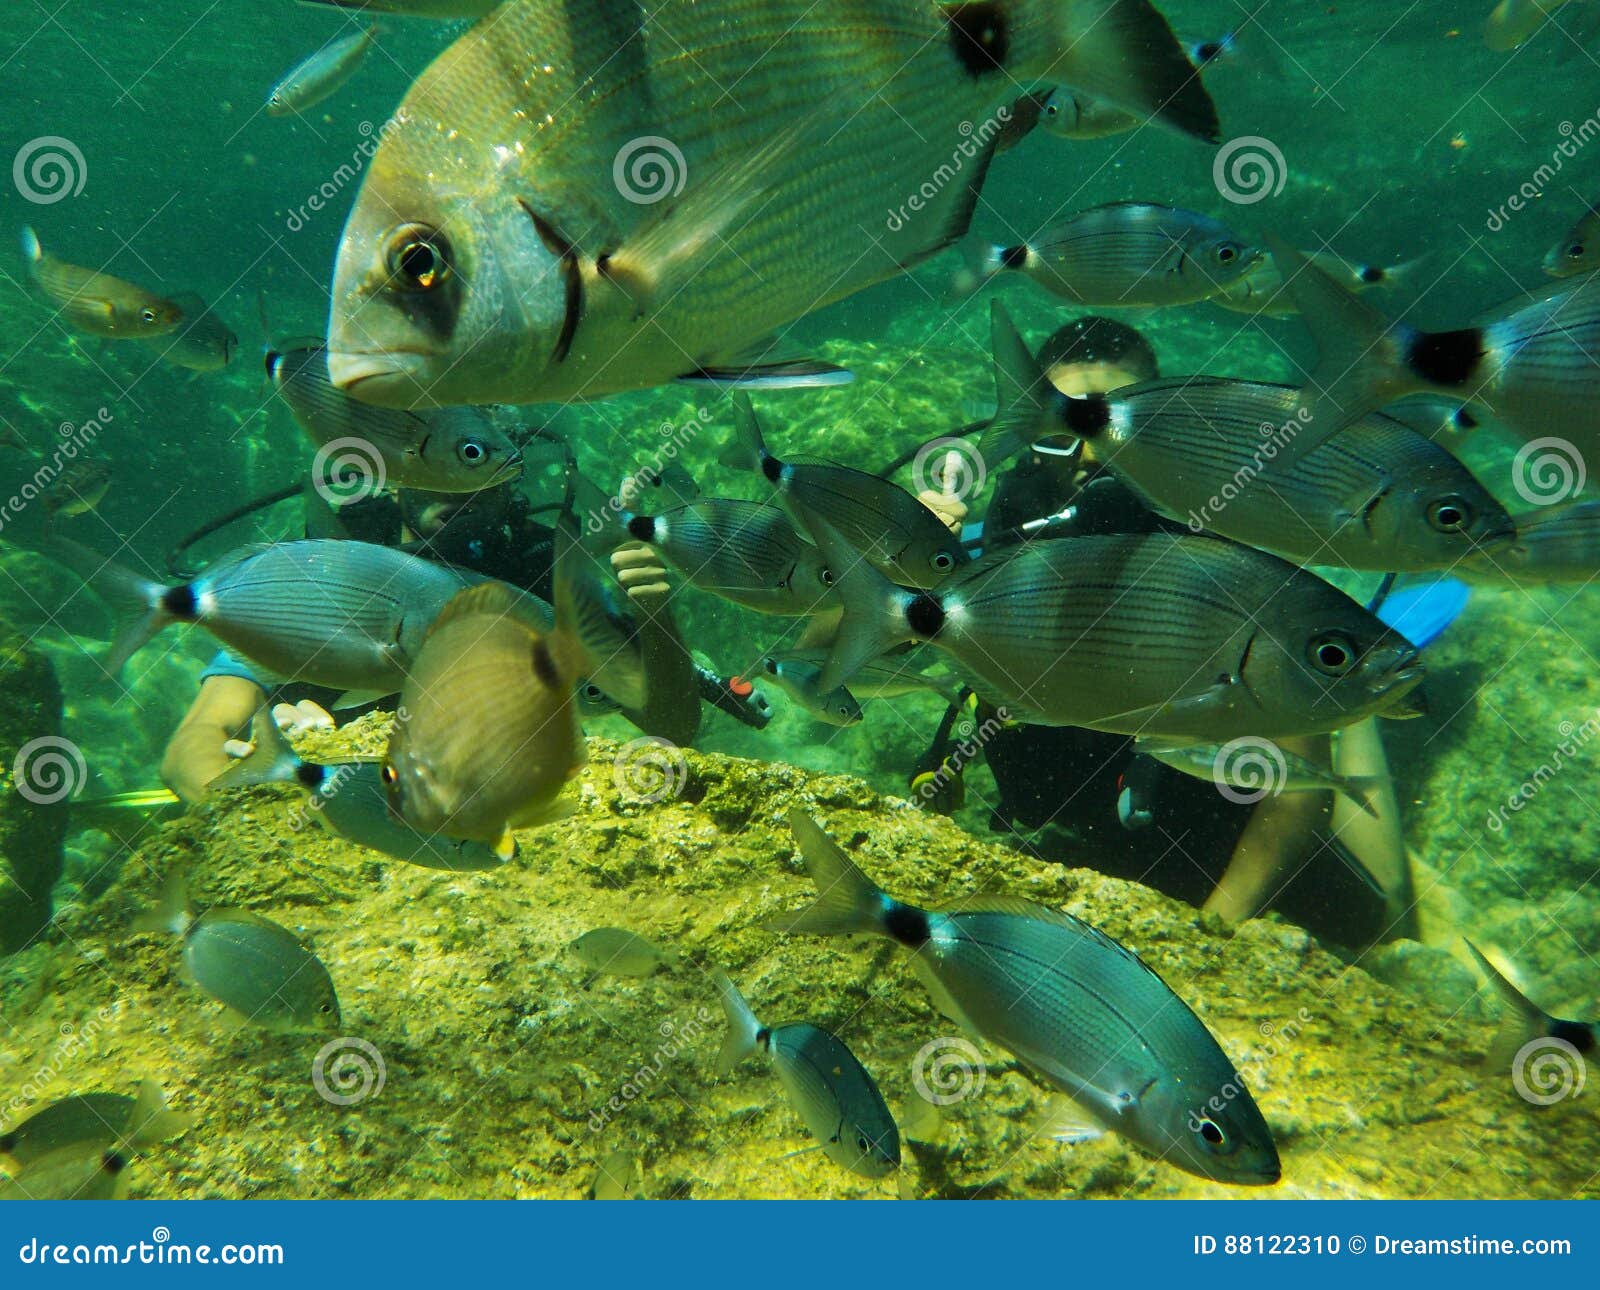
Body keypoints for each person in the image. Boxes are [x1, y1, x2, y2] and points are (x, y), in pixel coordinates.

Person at [906, 316, 1395, 941]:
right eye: (1064, 429)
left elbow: (1298, 788)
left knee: (1380, 922)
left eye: (1114, 423)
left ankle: (1363, 721)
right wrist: (906, 555)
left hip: (1218, 840)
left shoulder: (1225, 543)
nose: (1089, 451)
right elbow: (842, 654)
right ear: (1030, 440)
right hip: (1075, 842)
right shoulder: (992, 548)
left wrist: (1212, 934)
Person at [161, 474, 702, 803]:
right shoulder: (323, 570)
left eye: (475, 469)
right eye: (430, 465)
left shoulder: (548, 577)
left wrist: (657, 618)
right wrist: (263, 784)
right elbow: (192, 748)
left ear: (509, 479)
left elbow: (669, 728)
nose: (456, 490)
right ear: (397, 473)